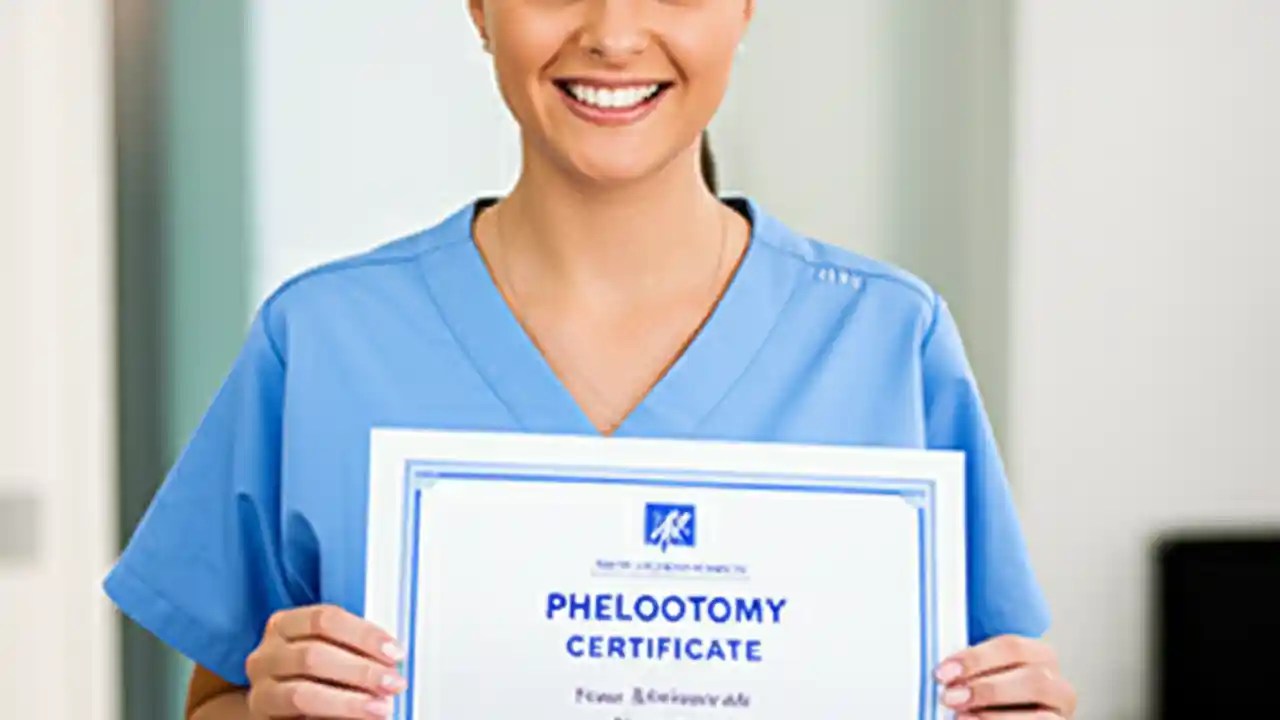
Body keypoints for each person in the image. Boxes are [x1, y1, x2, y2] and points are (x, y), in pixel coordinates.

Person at [104, 1, 1077, 718]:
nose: (613, 33)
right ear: (480, 9)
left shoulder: (887, 341)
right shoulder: (322, 341)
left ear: (745, 8)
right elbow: (216, 701)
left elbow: (972, 681)